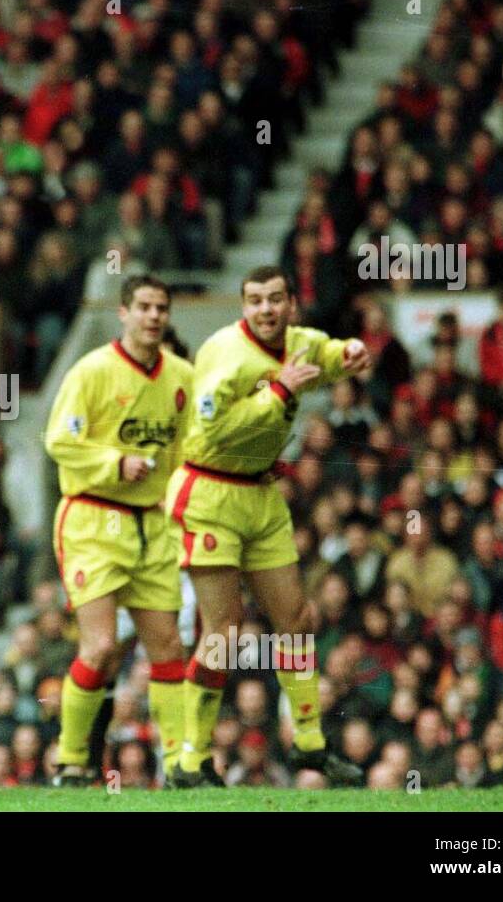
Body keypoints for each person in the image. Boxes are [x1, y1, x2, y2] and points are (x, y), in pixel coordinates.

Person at [166, 265, 370, 787]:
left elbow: (322, 354)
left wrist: (347, 353)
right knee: (224, 632)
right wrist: (276, 393)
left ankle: (308, 745)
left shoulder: (297, 341)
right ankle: (190, 760)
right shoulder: (223, 353)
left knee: (297, 619)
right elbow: (213, 428)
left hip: (261, 496)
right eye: (255, 300)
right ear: (243, 306)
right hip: (211, 491)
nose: (265, 309)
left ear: (291, 305)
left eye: (275, 299)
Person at [44, 274, 194, 786]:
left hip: (153, 524)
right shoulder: (91, 372)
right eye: (145, 307)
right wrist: (114, 463)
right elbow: (58, 442)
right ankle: (70, 760)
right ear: (123, 313)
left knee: (169, 648)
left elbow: (193, 445)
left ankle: (179, 764)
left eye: (162, 307)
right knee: (101, 647)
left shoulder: (180, 376)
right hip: (92, 517)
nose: (154, 316)